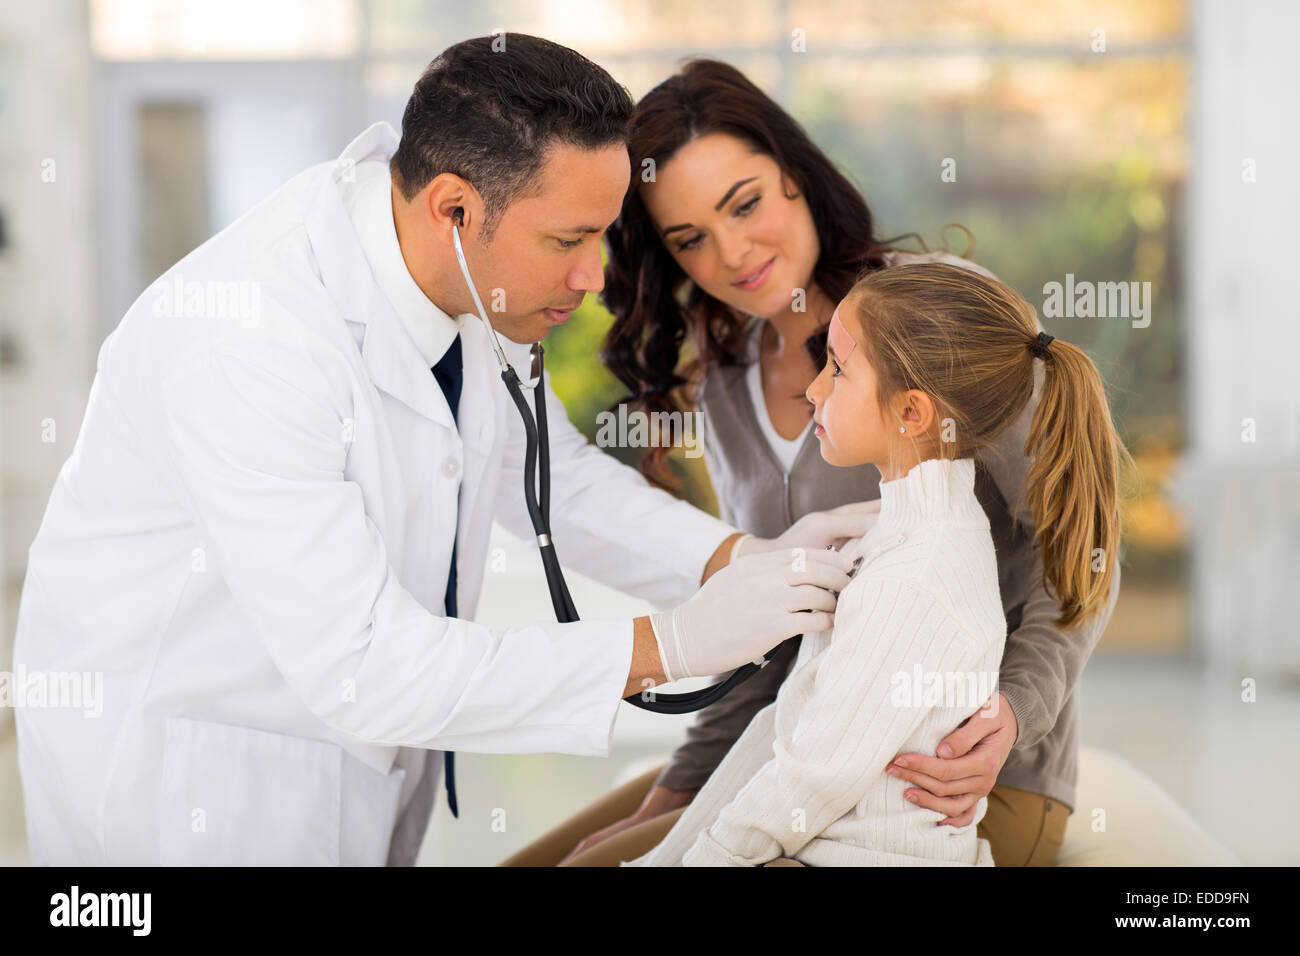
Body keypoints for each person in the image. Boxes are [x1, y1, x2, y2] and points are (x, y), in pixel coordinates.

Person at [10, 34, 869, 866]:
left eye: (601, 236)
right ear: (454, 208)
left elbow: (551, 479)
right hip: (195, 788)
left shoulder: (470, 279)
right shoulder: (250, 343)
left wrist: (743, 559)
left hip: (352, 769)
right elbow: (363, 665)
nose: (593, 276)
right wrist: (670, 646)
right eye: (568, 240)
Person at [501, 59, 1120, 868]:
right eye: (691, 239)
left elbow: (1076, 547)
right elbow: (774, 632)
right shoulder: (724, 379)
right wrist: (677, 789)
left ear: (796, 174)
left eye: (745, 203)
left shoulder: (930, 321)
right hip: (808, 742)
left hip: (949, 783)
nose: (733, 253)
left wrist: (1013, 712)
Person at [624, 263, 1131, 866]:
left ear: (913, 414)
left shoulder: (913, 578)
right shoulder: (896, 537)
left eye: (837, 369)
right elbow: (792, 730)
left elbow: (815, 774)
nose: (813, 389)